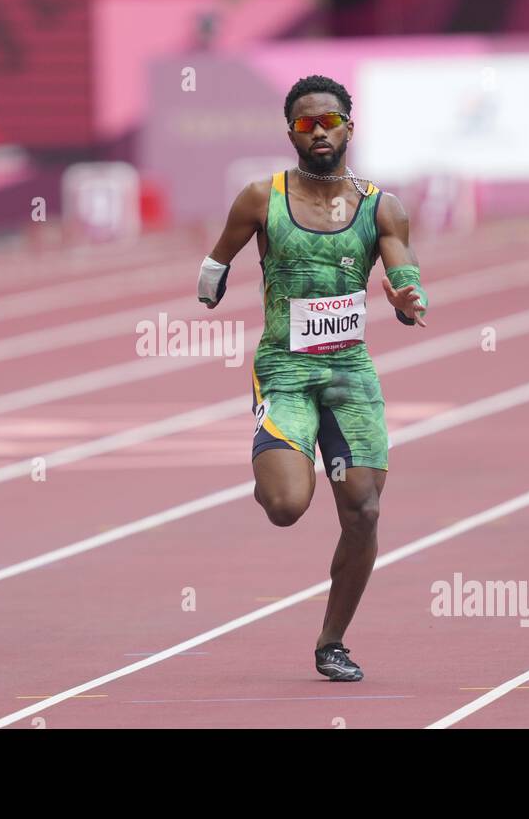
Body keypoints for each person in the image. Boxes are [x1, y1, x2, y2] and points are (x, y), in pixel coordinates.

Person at [198, 75, 429, 680]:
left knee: (364, 513)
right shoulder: (260, 198)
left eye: (329, 121)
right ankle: (275, 455)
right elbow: (217, 258)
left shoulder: (382, 205)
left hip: (349, 372)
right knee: (284, 505)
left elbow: (404, 270)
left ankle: (332, 642)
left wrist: (408, 299)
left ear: (350, 126)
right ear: (291, 133)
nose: (319, 132)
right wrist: (212, 282)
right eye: (305, 124)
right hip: (285, 369)